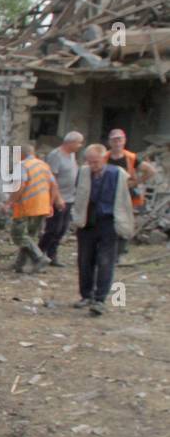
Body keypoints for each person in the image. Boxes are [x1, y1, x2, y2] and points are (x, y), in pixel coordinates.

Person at [72, 143, 133, 316]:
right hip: (88, 222)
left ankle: (100, 299)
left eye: (96, 162)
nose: (93, 166)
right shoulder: (83, 173)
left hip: (108, 222)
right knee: (85, 260)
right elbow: (80, 194)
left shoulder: (116, 174)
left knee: (105, 261)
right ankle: (86, 295)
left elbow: (125, 195)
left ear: (103, 159)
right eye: (90, 162)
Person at [3, 143, 55, 274]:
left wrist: (9, 203)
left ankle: (40, 257)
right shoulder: (44, 165)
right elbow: (54, 185)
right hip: (41, 206)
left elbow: (19, 186)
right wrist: (50, 204)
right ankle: (19, 264)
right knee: (29, 236)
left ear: (21, 155)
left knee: (18, 235)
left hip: (26, 206)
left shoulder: (22, 166)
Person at [105, 129, 155, 259]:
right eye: (114, 140)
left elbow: (150, 171)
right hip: (107, 194)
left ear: (124, 141)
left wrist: (136, 183)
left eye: (119, 139)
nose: (117, 142)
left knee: (124, 222)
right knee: (108, 222)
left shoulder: (131, 157)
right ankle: (109, 250)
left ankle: (121, 252)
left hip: (126, 195)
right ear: (110, 142)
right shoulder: (104, 157)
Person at [39, 131, 83, 266]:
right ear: (70, 142)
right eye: (79, 143)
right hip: (57, 198)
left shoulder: (72, 155)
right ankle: (39, 253)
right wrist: (57, 198)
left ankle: (52, 255)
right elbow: (51, 179)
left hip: (69, 197)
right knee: (53, 229)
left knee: (62, 229)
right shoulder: (56, 156)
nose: (80, 146)